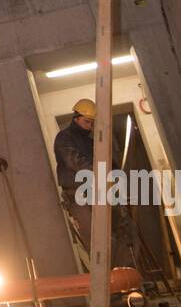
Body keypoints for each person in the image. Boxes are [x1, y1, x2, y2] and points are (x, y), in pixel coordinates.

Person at [54, 97, 136, 265]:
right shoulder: (64, 138)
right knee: (97, 240)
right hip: (78, 194)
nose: (89, 126)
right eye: (86, 122)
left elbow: (107, 163)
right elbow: (74, 161)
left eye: (92, 123)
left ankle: (124, 278)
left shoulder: (92, 142)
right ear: (76, 118)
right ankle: (107, 284)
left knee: (123, 231)